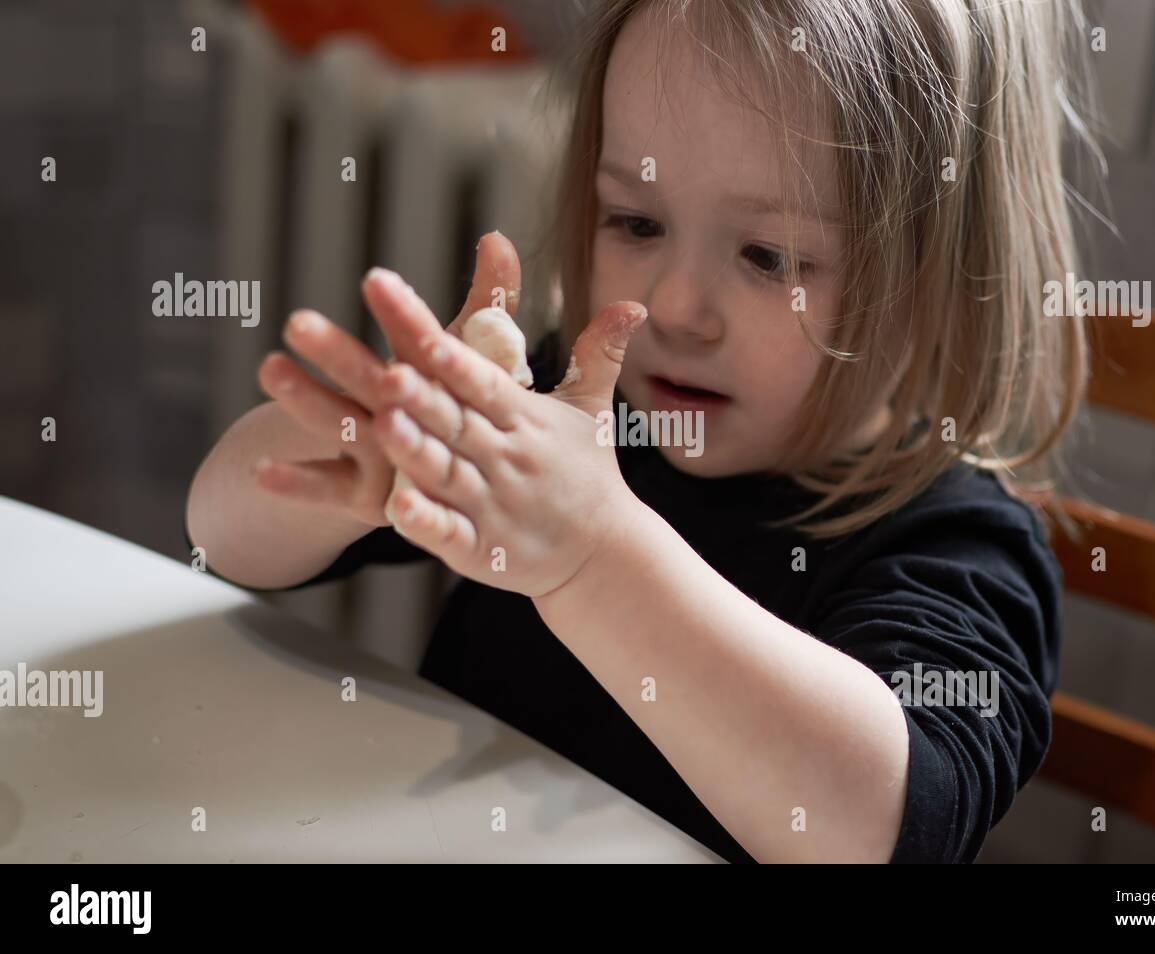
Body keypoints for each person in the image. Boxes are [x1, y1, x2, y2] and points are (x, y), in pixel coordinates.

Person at [187, 0, 1105, 862]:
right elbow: (221, 534)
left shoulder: (958, 545)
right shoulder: (569, 404)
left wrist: (592, 552)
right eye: (636, 220)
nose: (675, 305)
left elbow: (877, 825)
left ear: (940, 280)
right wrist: (373, 452)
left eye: (769, 256)